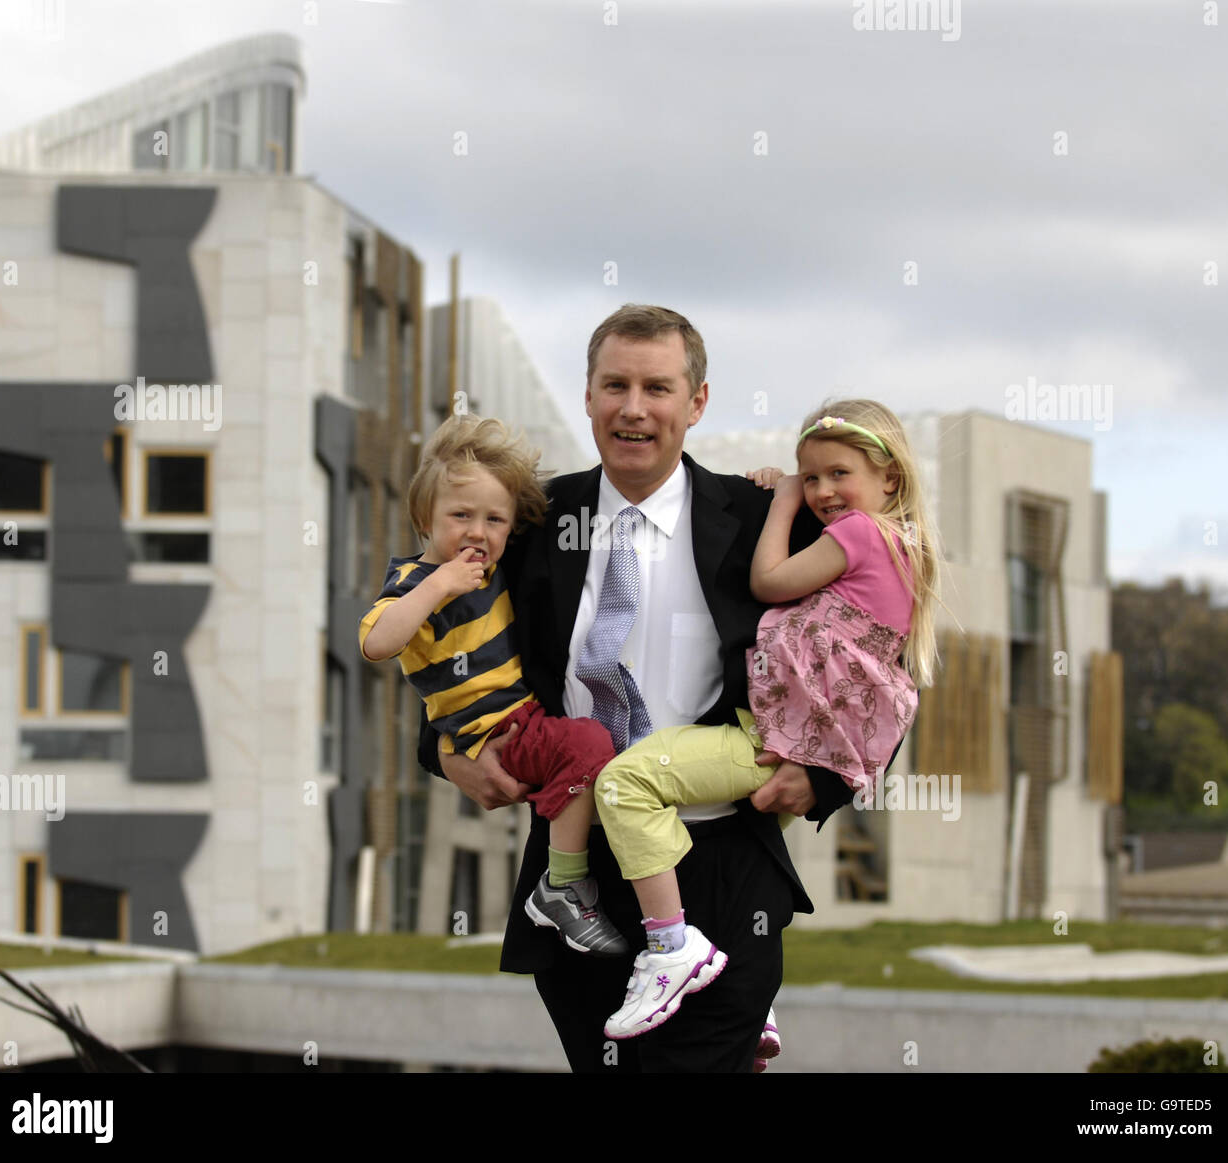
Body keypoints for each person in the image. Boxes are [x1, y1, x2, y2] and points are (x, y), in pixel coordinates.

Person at [419, 305, 866, 1073]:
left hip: (722, 869)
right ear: (588, 395)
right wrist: (445, 753)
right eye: (614, 384)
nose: (634, 407)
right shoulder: (529, 522)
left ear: (695, 403)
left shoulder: (766, 520)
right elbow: (445, 651)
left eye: (657, 387)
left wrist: (822, 775)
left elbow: (876, 656)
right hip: (577, 876)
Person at [594, 399, 939, 1040]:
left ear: (890, 476)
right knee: (719, 851)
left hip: (768, 740)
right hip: (811, 744)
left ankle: (672, 950)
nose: (822, 491)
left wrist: (780, 499)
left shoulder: (861, 534)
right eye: (810, 477)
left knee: (625, 784)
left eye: (839, 474)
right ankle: (750, 995)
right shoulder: (906, 546)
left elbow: (770, 581)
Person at [358, 415, 630, 957]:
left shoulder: (498, 569)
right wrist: (439, 584)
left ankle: (574, 876)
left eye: (494, 520)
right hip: (492, 731)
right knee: (589, 746)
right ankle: (562, 883)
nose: (478, 532)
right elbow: (376, 643)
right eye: (460, 516)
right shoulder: (418, 584)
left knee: (597, 756)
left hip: (521, 716)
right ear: (425, 518)